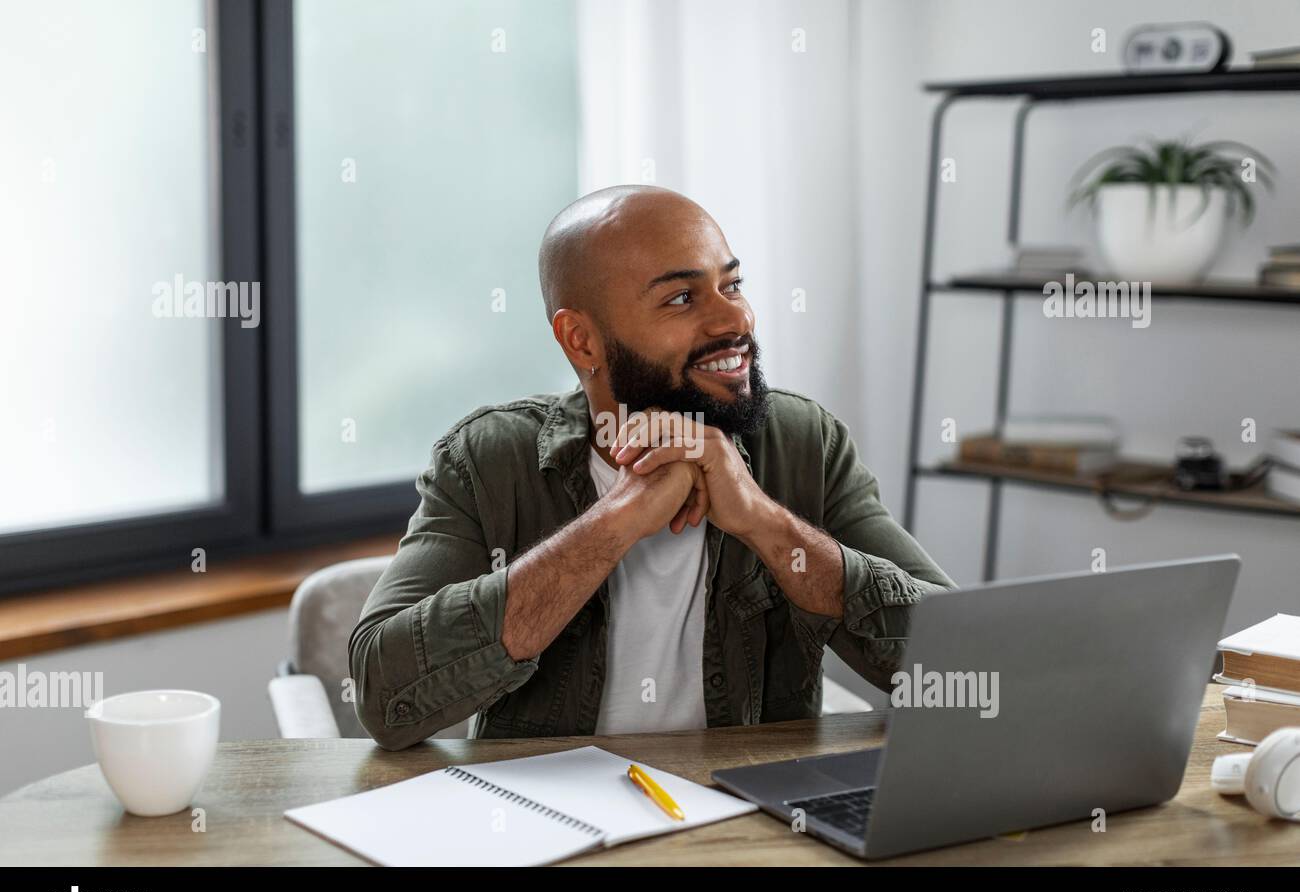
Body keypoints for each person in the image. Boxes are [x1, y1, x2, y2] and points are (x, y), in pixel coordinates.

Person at [349, 185, 954, 750]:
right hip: (550, 828)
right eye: (683, 298)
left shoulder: (803, 445)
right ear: (581, 341)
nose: (734, 321)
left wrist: (765, 522)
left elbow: (969, 668)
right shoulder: (489, 460)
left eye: (732, 285)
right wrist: (612, 524)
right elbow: (383, 698)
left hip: (749, 832)